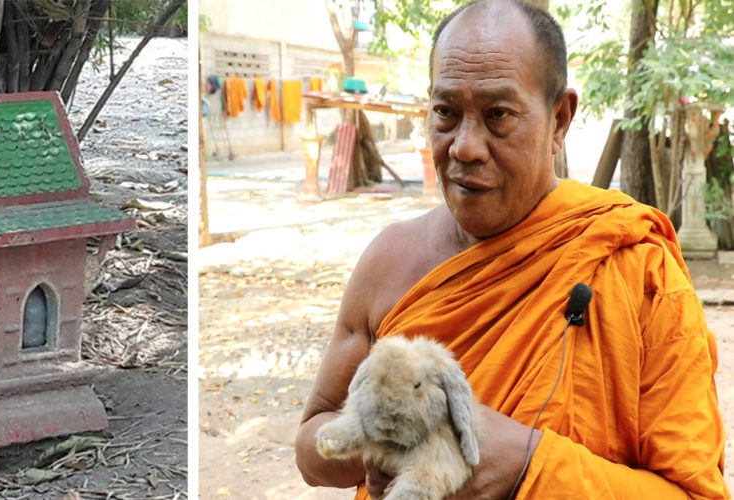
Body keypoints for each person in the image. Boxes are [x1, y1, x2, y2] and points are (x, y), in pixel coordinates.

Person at [294, 1, 730, 499]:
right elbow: (313, 440)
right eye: (446, 113)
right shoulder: (389, 262)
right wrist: (383, 442)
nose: (465, 146)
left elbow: (695, 493)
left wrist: (529, 464)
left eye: (498, 115)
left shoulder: (637, 267)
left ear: (560, 119)